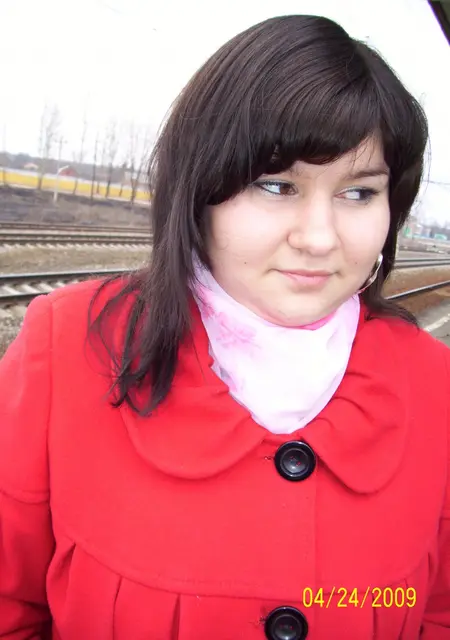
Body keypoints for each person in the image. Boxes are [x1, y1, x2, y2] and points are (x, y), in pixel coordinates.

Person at [0, 13, 448, 640]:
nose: (320, 238)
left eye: (358, 193)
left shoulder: (437, 386)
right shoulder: (68, 347)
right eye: (277, 186)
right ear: (200, 191)